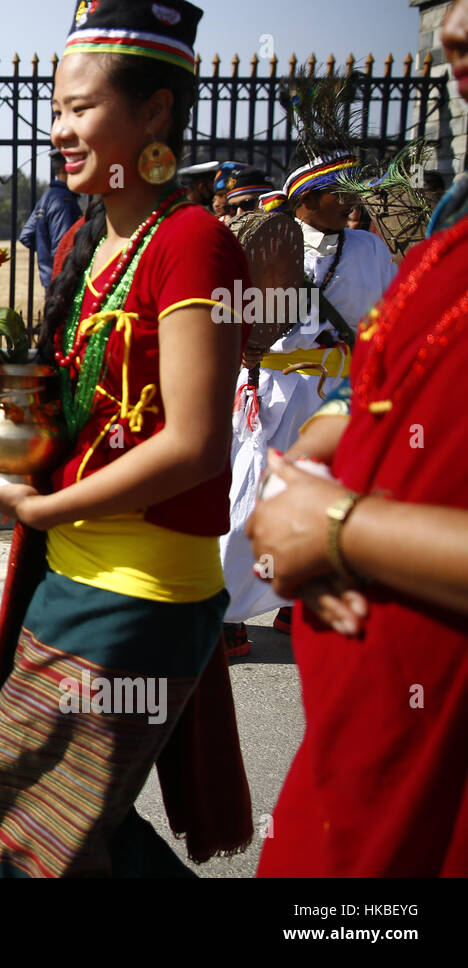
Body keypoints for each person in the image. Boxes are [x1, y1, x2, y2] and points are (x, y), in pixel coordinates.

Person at [0, 0, 252, 877]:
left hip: (138, 597)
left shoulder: (194, 244)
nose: (60, 128)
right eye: (58, 109)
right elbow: (69, 436)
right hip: (74, 580)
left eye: (80, 109)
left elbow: (192, 444)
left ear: (154, 116)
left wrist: (42, 505)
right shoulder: (86, 242)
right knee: (70, 835)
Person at [248, 0, 468, 876]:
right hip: (372, 763)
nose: (450, 31)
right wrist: (323, 454)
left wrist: (342, 530)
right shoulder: (438, 233)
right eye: (439, 3)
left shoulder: (381, 250)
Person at [218, 146, 397, 656]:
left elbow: (386, 317)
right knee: (250, 498)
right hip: (273, 393)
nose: (351, 202)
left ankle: (296, 604)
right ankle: (226, 611)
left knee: (327, 498)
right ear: (308, 200)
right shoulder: (271, 244)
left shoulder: (369, 249)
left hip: (339, 394)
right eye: (340, 193)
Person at [18, 152, 83, 289]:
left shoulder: (48, 196)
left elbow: (26, 236)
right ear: (68, 168)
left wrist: (45, 250)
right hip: (63, 279)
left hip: (51, 278)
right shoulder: (63, 200)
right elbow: (64, 246)